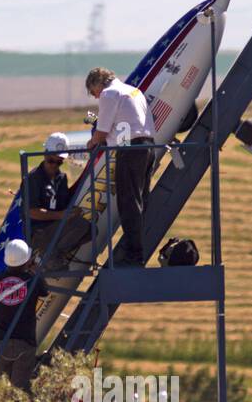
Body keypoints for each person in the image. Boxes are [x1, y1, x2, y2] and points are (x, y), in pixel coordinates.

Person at [86, 67, 156, 267]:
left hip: (131, 151)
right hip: (148, 146)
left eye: (93, 91)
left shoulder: (109, 94)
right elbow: (128, 125)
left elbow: (102, 130)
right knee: (140, 198)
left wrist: (91, 143)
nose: (95, 96)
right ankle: (138, 247)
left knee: (128, 201)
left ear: (97, 83)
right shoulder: (134, 91)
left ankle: (134, 253)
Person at [24, 132, 92, 270]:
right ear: (45, 154)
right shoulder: (33, 178)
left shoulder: (62, 178)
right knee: (79, 225)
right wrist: (61, 215)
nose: (55, 165)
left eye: (59, 162)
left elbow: (64, 206)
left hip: (56, 228)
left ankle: (49, 255)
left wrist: (72, 212)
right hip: (38, 232)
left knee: (91, 231)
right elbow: (32, 212)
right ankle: (49, 256)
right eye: (51, 161)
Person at [0, 238, 45, 392]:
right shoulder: (32, 280)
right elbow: (45, 291)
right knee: (19, 391)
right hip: (24, 341)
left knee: (4, 392)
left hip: (2, 341)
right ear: (26, 261)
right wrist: (36, 272)